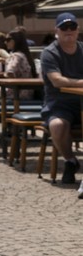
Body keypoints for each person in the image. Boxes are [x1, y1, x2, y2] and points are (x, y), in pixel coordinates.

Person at [39, 12, 83, 194]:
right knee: (57, 126)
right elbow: (57, 81)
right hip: (59, 104)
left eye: (72, 27)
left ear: (78, 30)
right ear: (56, 30)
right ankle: (71, 161)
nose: (69, 31)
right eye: (64, 28)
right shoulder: (50, 53)